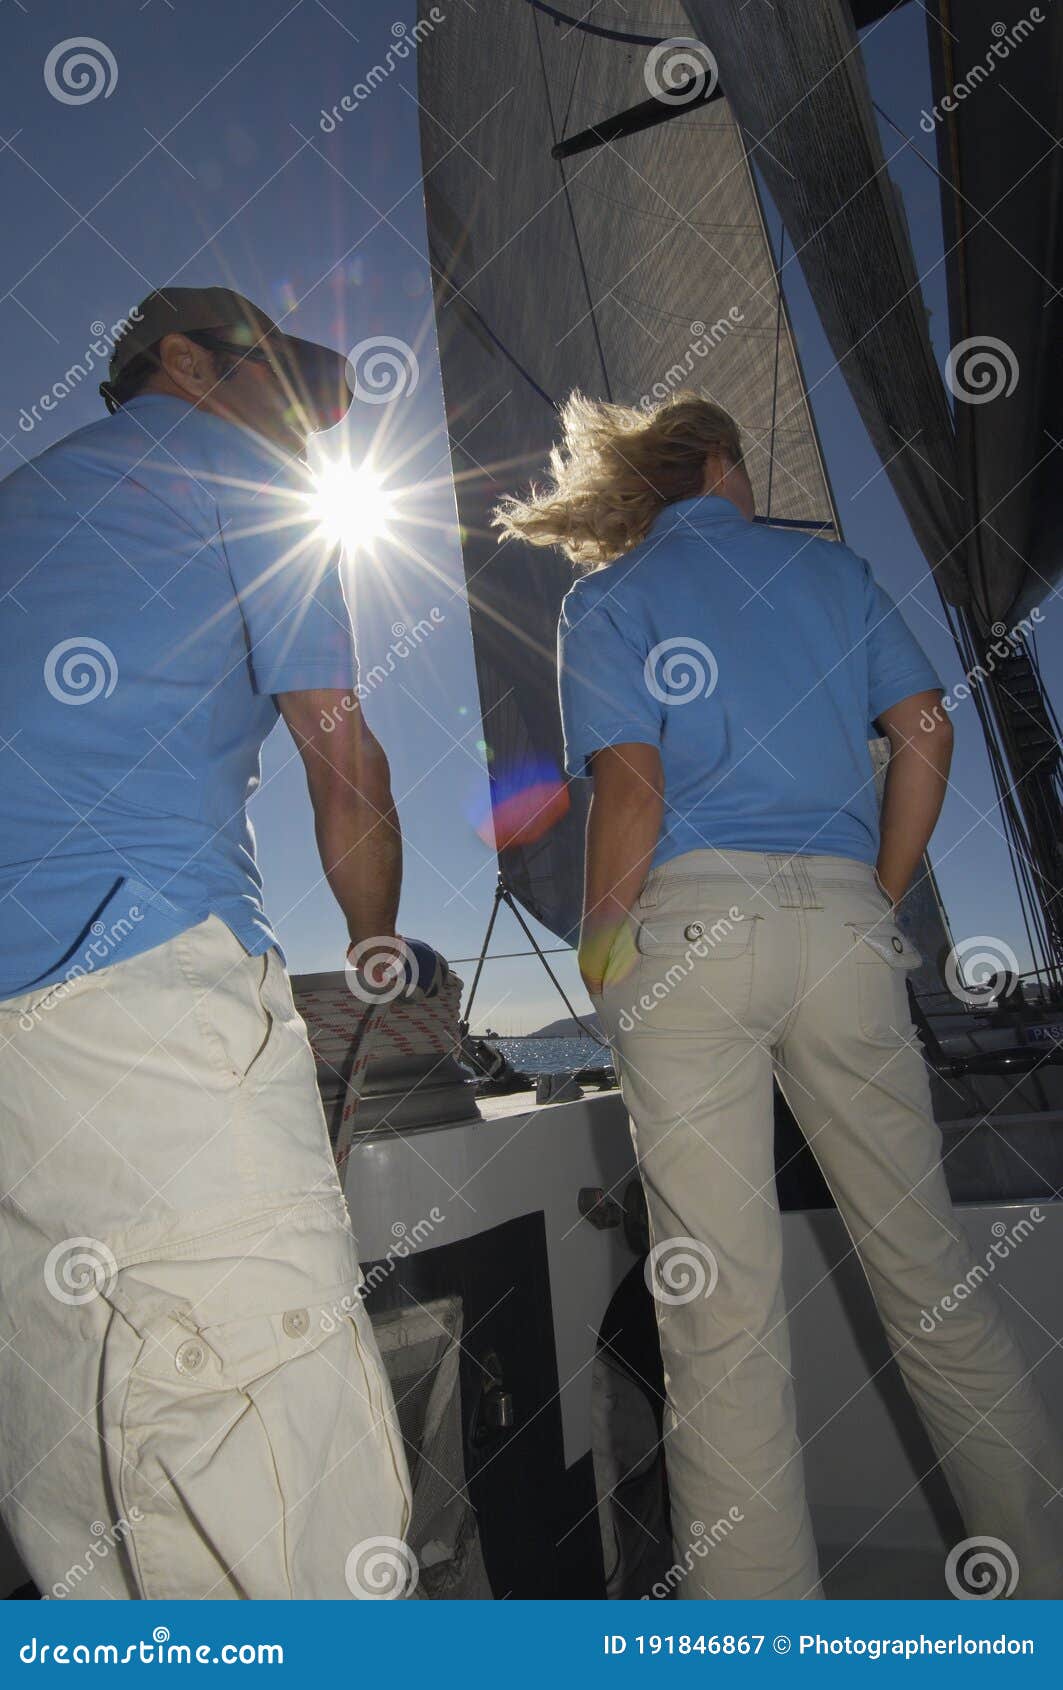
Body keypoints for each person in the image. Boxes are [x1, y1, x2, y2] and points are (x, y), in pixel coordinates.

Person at [495, 389, 1063, 1600]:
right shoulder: (835, 575)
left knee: (721, 1323)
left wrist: (605, 966)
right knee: (933, 1286)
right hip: (844, 931)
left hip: (689, 932)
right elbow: (924, 733)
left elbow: (631, 799)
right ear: (721, 461)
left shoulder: (608, 596)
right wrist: (876, 893)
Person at [0, 287, 435, 1599]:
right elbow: (340, 758)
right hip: (146, 1032)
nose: (307, 411)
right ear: (179, 363)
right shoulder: (244, 479)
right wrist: (376, 952)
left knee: (95, 1544)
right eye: (281, 372)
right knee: (305, 1552)